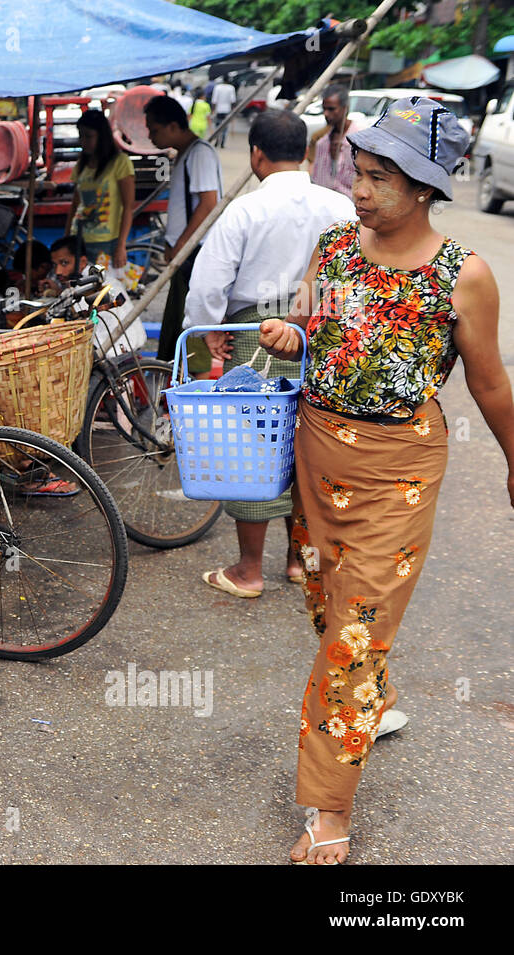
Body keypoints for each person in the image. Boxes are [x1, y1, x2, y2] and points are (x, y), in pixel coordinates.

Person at [255, 98, 514, 863]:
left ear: (425, 187)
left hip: (398, 474)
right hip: (315, 454)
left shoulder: (462, 275)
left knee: (353, 636)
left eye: (379, 178)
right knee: (329, 603)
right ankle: (376, 695)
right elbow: (315, 325)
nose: (360, 190)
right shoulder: (335, 246)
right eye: (358, 172)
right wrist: (289, 331)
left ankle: (327, 808)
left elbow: (492, 384)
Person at [185, 109, 355, 600]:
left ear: (256, 154)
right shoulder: (341, 206)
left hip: (255, 334)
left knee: (253, 452)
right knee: (310, 448)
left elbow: (208, 284)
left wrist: (207, 331)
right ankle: (299, 563)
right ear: (305, 153)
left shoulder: (244, 210)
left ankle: (248, 571)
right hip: (323, 333)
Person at [143, 94, 222, 375]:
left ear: (174, 126)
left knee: (193, 333)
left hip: (194, 254)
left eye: (154, 129)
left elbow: (209, 203)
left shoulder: (200, 153)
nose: (151, 136)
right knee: (178, 327)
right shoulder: (185, 155)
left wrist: (180, 244)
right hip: (185, 252)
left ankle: (196, 399)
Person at [65, 110, 135, 269]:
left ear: (101, 136)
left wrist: (121, 245)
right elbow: (75, 204)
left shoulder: (120, 162)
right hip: (79, 239)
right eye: (81, 136)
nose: (83, 141)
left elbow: (128, 207)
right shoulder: (82, 163)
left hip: (106, 242)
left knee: (103, 290)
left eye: (88, 136)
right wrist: (67, 236)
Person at [307, 84, 359, 200]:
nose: (326, 114)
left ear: (345, 108)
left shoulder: (360, 141)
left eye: (331, 109)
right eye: (324, 109)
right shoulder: (321, 142)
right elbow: (317, 180)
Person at [210, 78, 237, 147]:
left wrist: (212, 110)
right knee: (225, 126)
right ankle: (222, 142)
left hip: (219, 109)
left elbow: (214, 100)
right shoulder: (231, 88)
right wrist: (233, 110)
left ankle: (217, 140)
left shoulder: (217, 87)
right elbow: (233, 100)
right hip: (227, 109)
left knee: (217, 126)